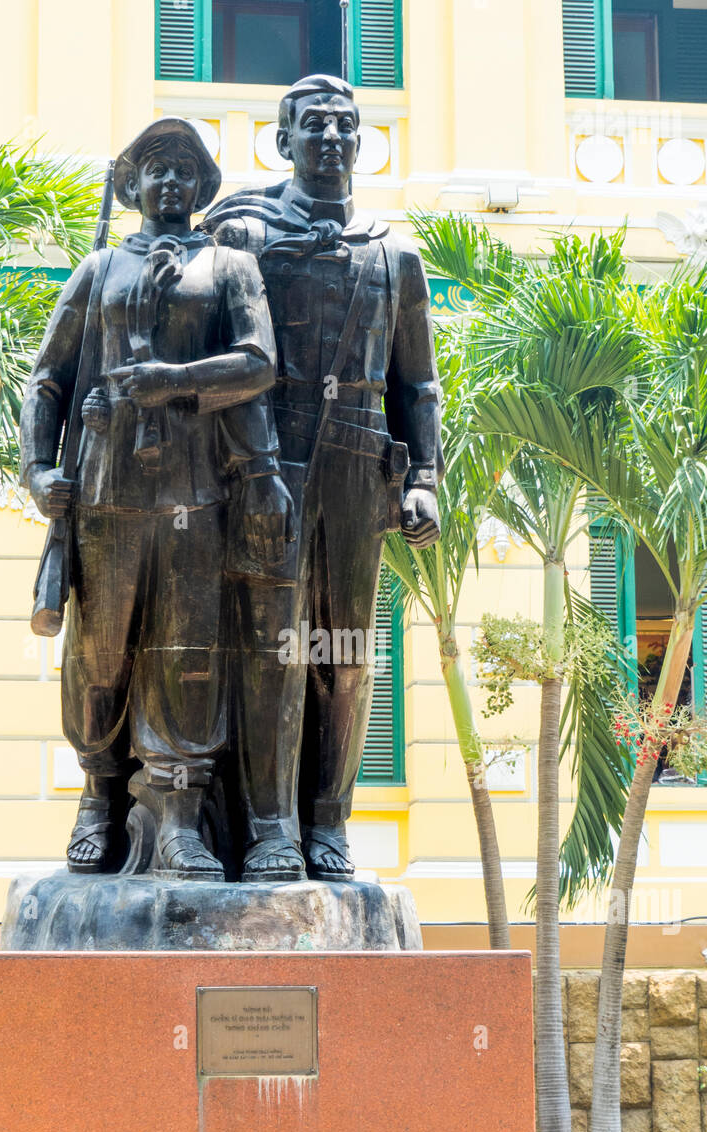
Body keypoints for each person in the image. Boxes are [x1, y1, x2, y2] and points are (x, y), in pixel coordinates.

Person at [21, 117, 291, 880]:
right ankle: (99, 799)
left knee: (187, 656)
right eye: (154, 169)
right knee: (99, 654)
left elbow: (258, 361)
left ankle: (179, 819)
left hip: (196, 491)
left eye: (184, 169)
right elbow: (47, 380)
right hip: (105, 492)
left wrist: (172, 382)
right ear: (132, 185)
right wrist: (40, 471)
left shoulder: (230, 266)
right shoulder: (99, 268)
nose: (170, 181)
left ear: (202, 186)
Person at [204, 74, 443, 883]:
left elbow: (419, 384)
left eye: (347, 126)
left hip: (357, 466)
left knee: (342, 651)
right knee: (271, 648)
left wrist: (427, 480)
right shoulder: (247, 234)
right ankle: (269, 827)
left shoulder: (393, 250)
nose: (333, 139)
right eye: (315, 126)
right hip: (265, 458)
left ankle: (328, 821)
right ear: (285, 143)